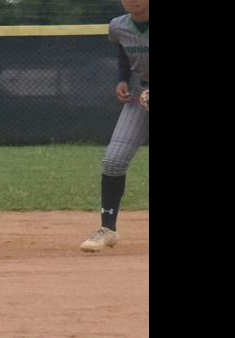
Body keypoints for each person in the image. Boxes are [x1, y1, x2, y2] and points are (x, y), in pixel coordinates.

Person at [82, 0, 149, 254]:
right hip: (140, 95)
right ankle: (107, 230)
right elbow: (123, 52)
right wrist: (122, 79)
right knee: (113, 161)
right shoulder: (118, 26)